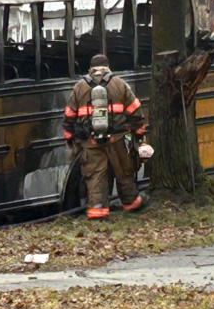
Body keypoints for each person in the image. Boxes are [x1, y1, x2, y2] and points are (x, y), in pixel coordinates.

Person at [62, 53, 150, 220]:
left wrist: (70, 138)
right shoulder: (119, 84)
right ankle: (132, 203)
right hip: (118, 139)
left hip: (90, 141)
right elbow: (135, 111)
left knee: (95, 176)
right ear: (108, 66)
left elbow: (69, 116)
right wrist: (138, 133)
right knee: (124, 172)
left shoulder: (79, 87)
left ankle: (97, 211)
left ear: (90, 68)